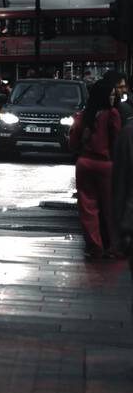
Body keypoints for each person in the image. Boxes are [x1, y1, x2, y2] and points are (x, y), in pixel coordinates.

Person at [69, 73, 122, 260]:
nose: (114, 97)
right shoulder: (112, 114)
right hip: (106, 164)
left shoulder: (83, 115)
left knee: (87, 207)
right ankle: (113, 247)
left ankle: (94, 246)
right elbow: (116, 140)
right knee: (110, 207)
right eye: (112, 94)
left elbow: (73, 141)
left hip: (84, 163)